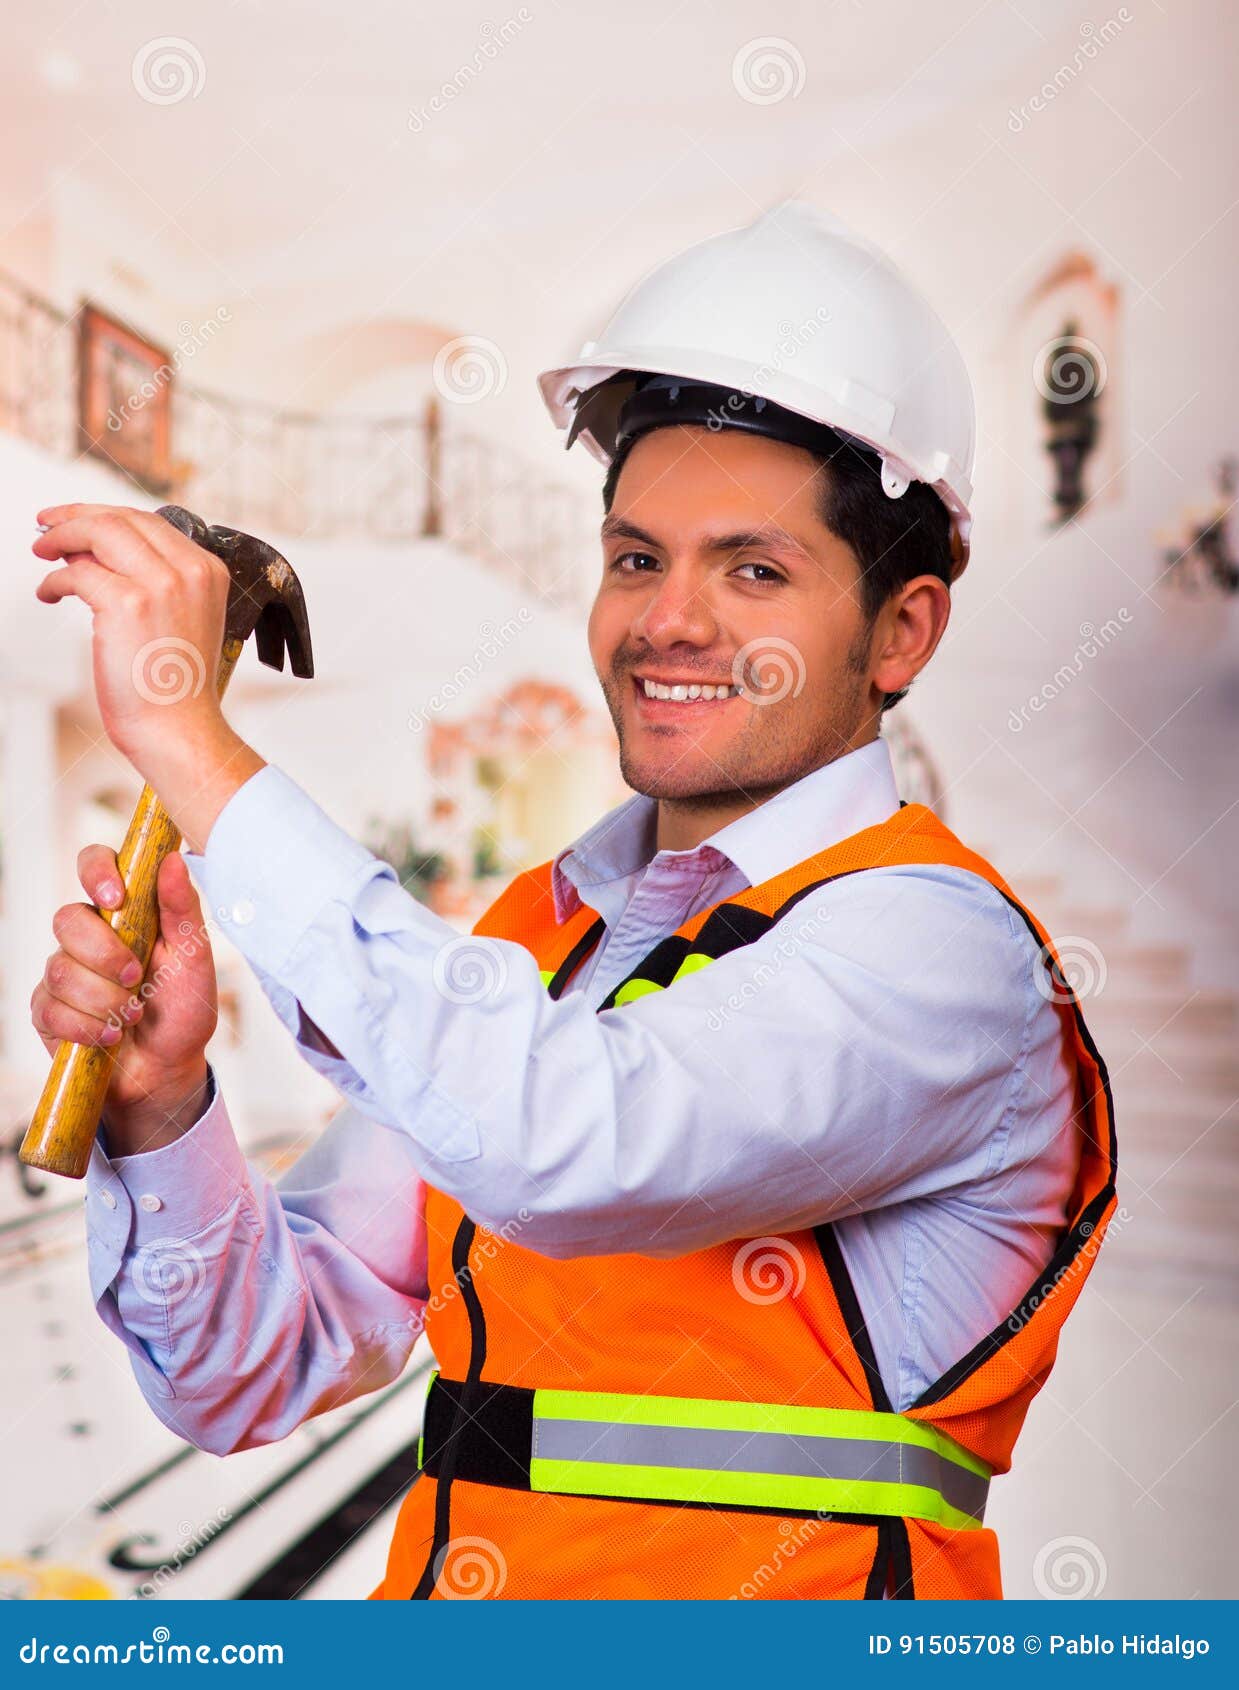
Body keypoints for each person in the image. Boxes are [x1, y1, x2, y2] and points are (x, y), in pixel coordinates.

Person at [29, 201, 1116, 1600]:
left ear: (901, 629)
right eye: (636, 554)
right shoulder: (538, 946)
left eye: (756, 568)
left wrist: (192, 742)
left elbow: (571, 1133)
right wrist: (163, 1104)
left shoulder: (943, 953)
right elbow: (250, 1368)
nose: (669, 618)